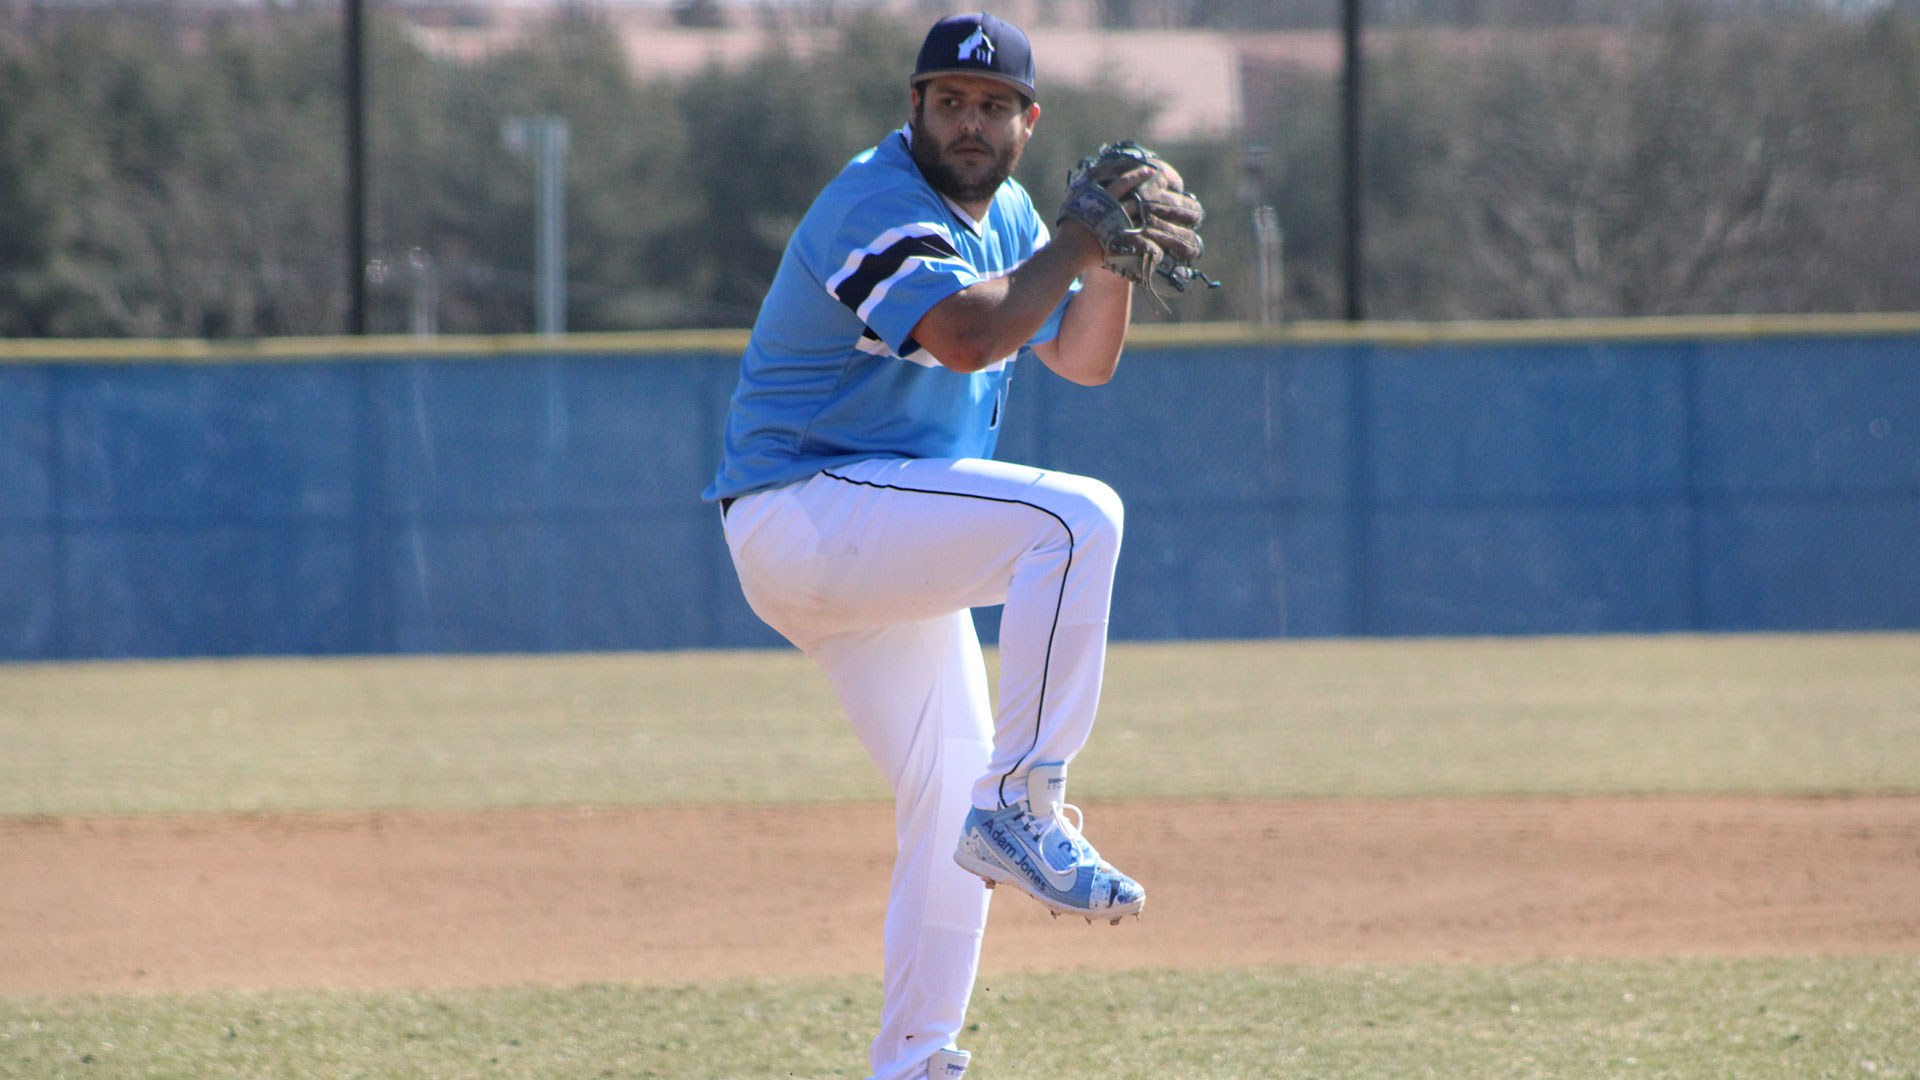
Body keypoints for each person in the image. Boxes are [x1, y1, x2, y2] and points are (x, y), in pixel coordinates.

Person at [702, 13, 1183, 1080]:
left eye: (993, 105)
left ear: (1026, 121)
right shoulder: (877, 202)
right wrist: (1078, 239)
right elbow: (969, 338)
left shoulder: (1012, 215)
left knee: (949, 793)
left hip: (876, 535)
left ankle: (914, 1057)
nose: (970, 122)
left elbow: (1084, 361)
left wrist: (1105, 266)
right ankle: (1026, 803)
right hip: (803, 508)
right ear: (912, 106)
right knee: (1077, 519)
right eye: (948, 100)